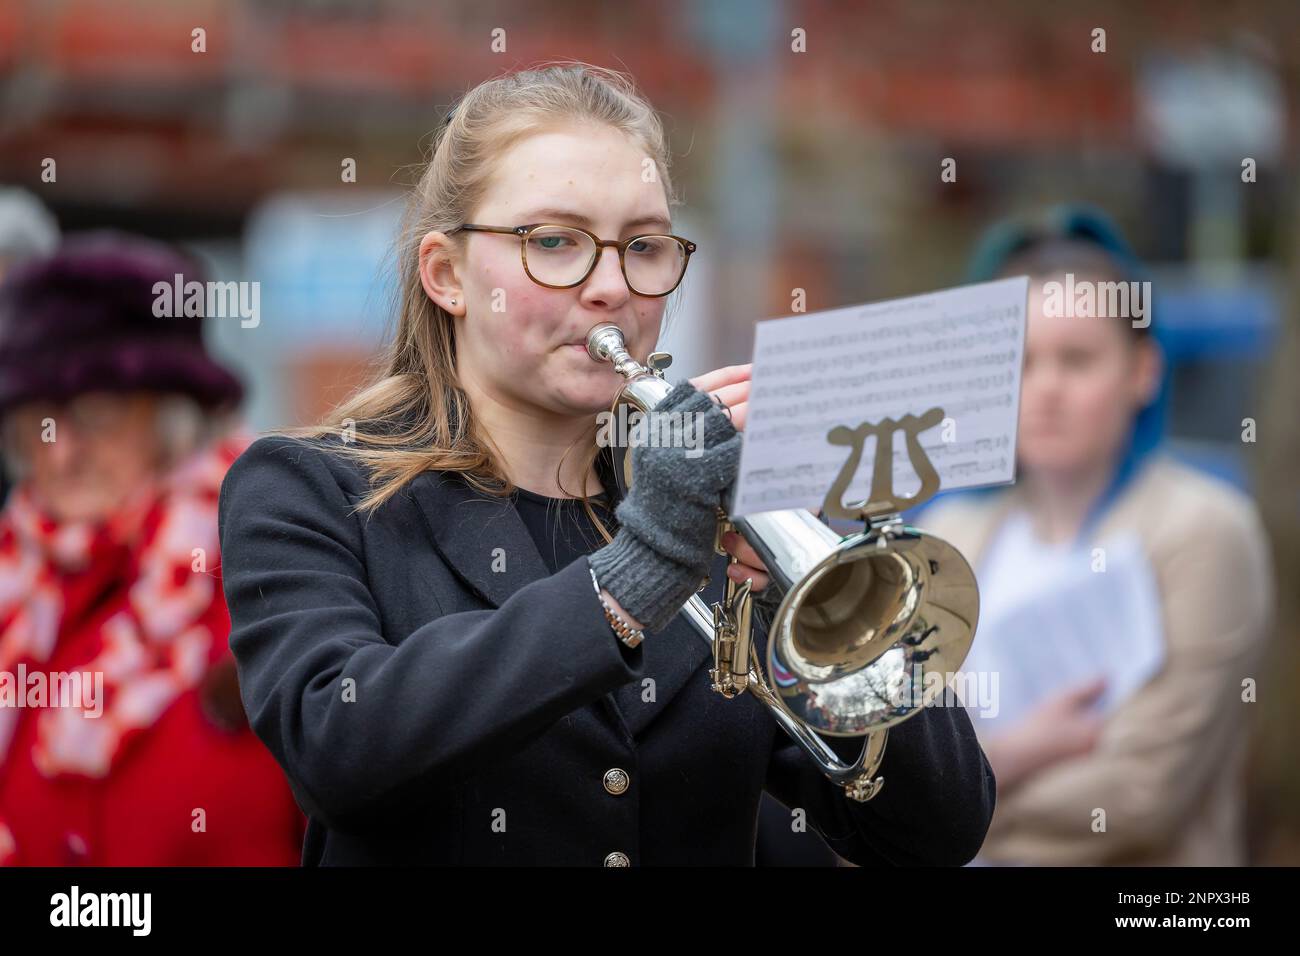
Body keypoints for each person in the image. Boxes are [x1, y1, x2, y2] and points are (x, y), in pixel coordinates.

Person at [217, 62, 996, 866]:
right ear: (448, 274)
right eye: (555, 242)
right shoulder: (309, 488)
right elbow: (336, 750)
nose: (611, 287)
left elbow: (934, 831)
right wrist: (638, 570)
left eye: (644, 246)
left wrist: (822, 585)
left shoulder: (705, 509)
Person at [920, 205, 1274, 866]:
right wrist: (1018, 755)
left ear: (1143, 371)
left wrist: (945, 806)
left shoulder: (1206, 530)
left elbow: (1140, 798)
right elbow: (884, 772)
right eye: (1020, 362)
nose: (1045, 389)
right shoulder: (950, 533)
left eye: (1077, 360)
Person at [0, 233, 306, 865]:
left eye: (98, 412)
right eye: (39, 418)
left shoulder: (278, 569)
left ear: (175, 418)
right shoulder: (15, 588)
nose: (61, 451)